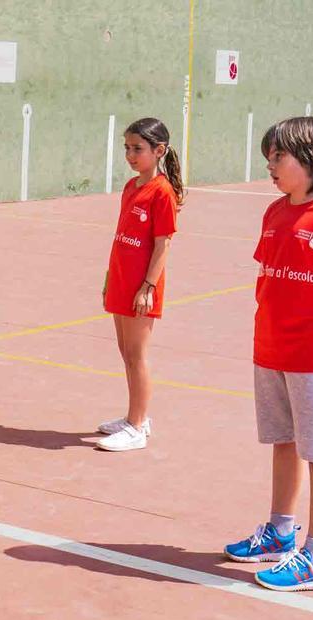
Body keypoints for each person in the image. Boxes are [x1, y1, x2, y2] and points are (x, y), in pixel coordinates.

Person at [223, 117, 313, 592]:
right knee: (283, 440)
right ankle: (281, 532)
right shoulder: (275, 211)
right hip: (271, 348)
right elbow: (270, 276)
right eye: (268, 158)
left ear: (310, 159)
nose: (271, 166)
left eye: (278, 157)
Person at [95, 118, 182, 452]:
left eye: (138, 149)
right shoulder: (132, 187)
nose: (130, 155)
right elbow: (122, 237)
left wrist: (147, 287)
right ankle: (135, 417)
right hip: (120, 279)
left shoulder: (162, 192)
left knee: (137, 355)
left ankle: (137, 427)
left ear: (159, 151)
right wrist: (109, 279)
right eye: (127, 148)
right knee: (125, 352)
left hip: (141, 287)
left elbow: (163, 245)